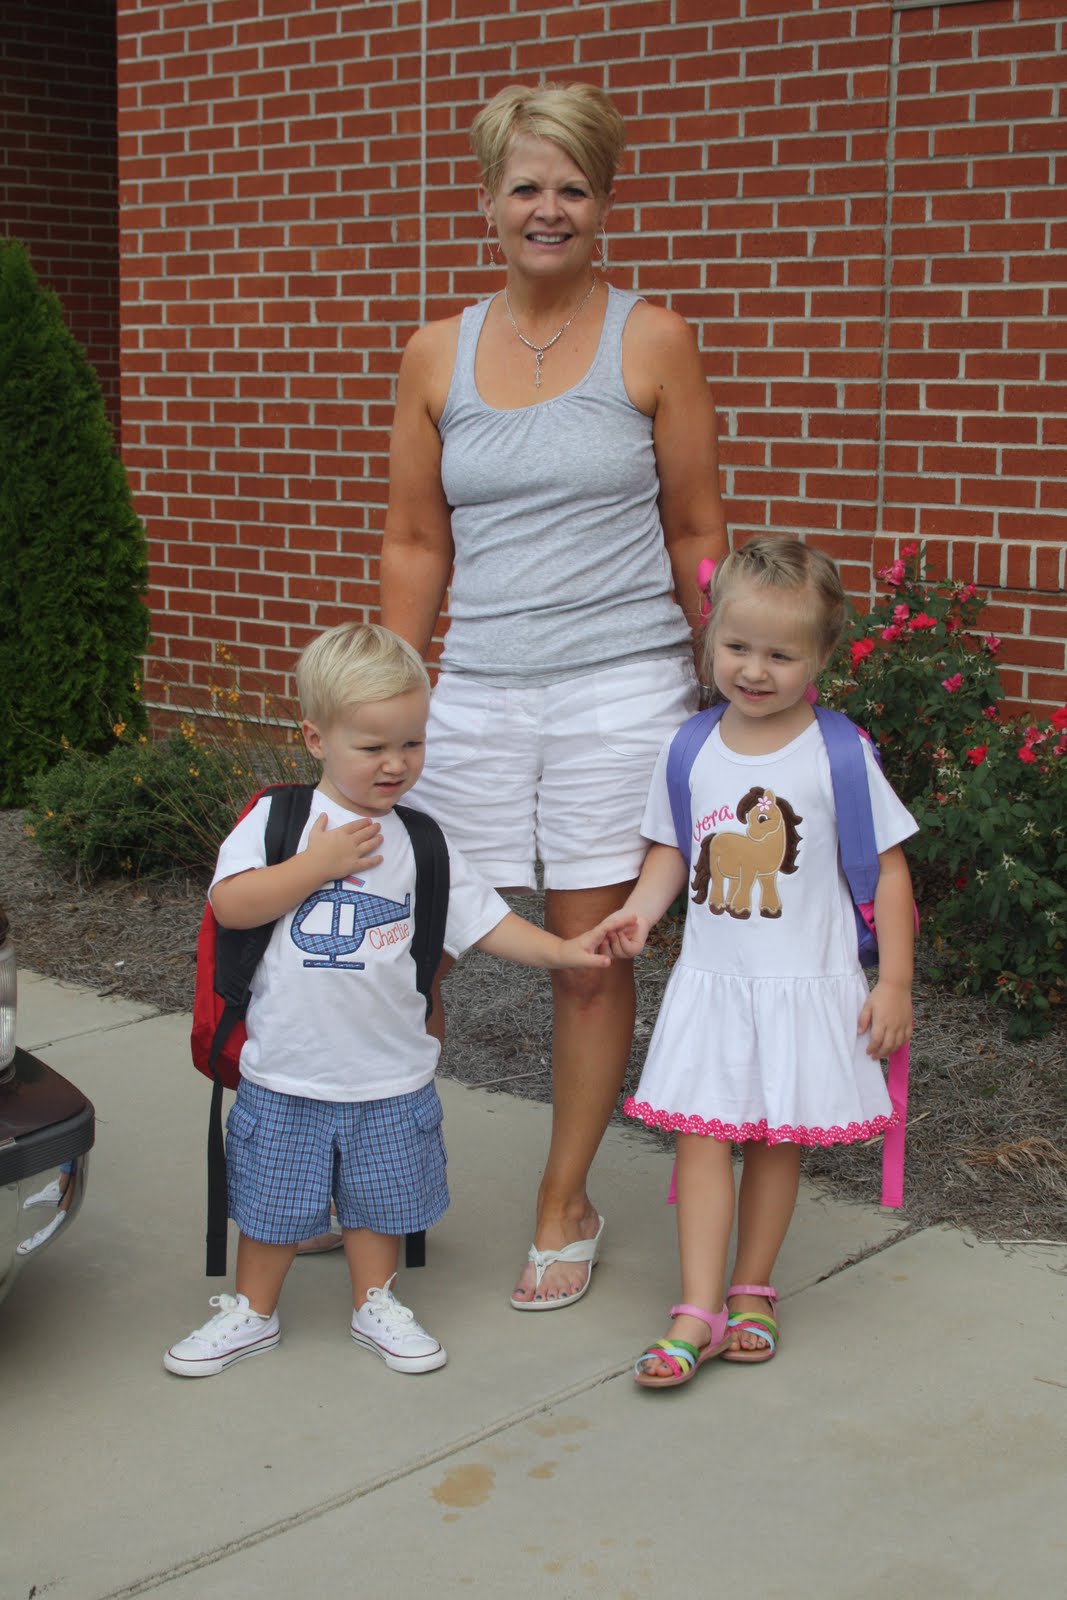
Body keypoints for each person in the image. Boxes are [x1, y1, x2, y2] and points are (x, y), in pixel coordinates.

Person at [380, 81, 728, 1310]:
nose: (547, 208)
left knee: (590, 954)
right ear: (485, 204)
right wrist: (394, 689)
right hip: (471, 689)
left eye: (572, 186)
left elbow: (694, 528)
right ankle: (372, 1176)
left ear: (603, 203)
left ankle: (561, 1197)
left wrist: (725, 689)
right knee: (404, 939)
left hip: (618, 690)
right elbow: (418, 543)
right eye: (525, 185)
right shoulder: (435, 351)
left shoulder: (653, 339)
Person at [163, 623, 633, 1379]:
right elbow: (232, 905)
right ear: (316, 738)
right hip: (286, 1067)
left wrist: (561, 952)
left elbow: (486, 921)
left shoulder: (421, 842)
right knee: (273, 1204)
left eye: (411, 745)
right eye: (372, 746)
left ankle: (373, 1303)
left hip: (388, 1072)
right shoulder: (279, 824)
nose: (394, 764)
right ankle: (251, 1312)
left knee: (379, 1203)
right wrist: (315, 865)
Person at [597, 536, 918, 1387]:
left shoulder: (837, 753)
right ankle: (694, 1309)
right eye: (737, 647)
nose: (755, 670)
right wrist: (637, 912)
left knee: (777, 1143)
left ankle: (751, 1291)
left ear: (821, 657)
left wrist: (893, 981)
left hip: (802, 987)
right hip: (713, 988)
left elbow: (888, 871)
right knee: (701, 1139)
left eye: (782, 654)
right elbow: (672, 850)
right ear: (709, 638)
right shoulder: (691, 748)